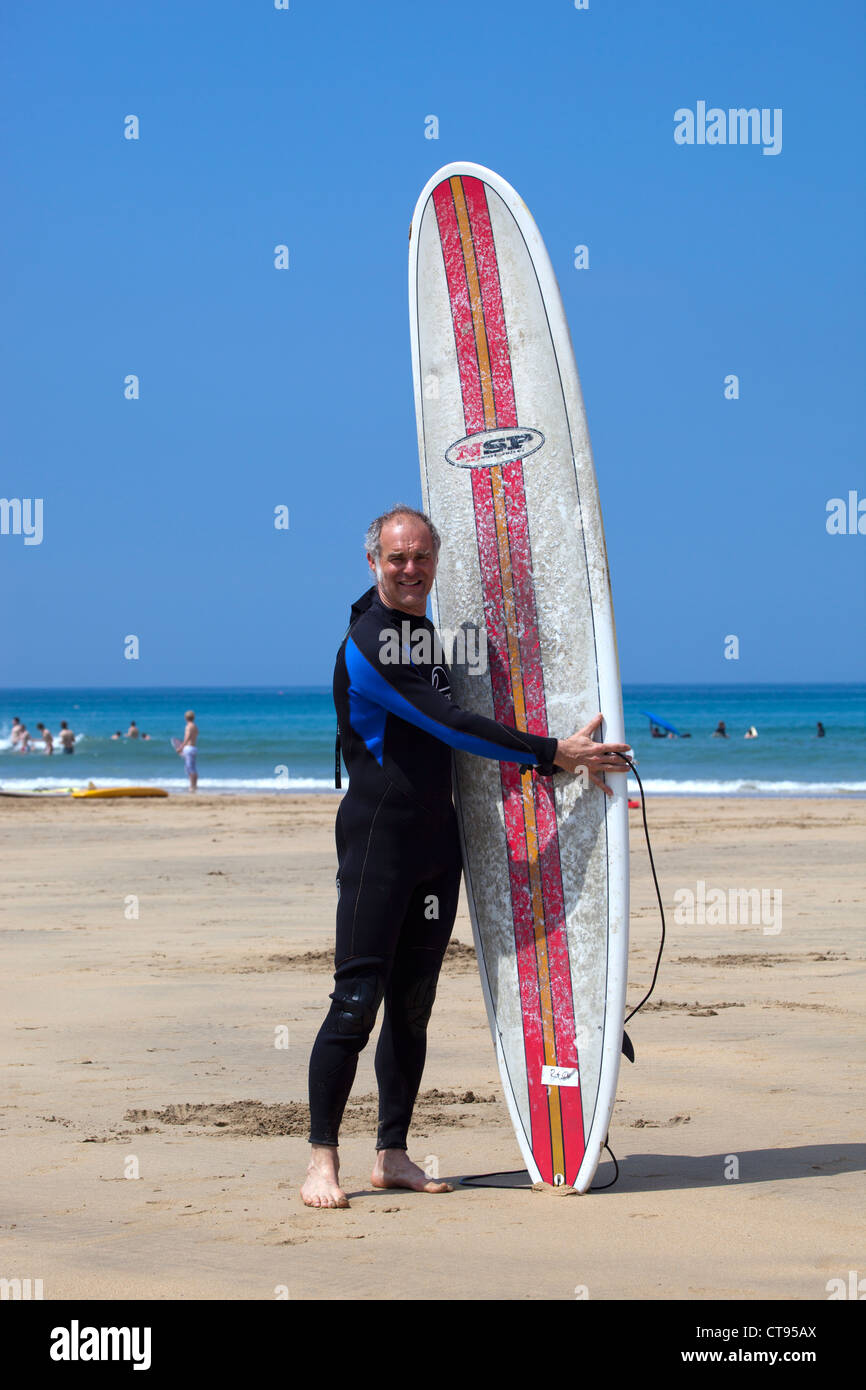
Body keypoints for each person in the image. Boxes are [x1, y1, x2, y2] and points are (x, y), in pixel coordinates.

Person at [301, 505, 631, 1209]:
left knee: (413, 1007)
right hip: (377, 846)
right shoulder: (370, 644)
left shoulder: (424, 638)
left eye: (422, 557)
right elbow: (450, 723)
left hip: (435, 847)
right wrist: (553, 753)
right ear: (373, 563)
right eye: (397, 559)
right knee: (357, 1004)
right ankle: (322, 1159)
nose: (411, 570)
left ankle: (391, 1153)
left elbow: (460, 722)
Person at [177, 711, 198, 792]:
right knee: (193, 768)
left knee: (190, 768)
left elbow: (188, 737)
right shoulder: (195, 727)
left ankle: (192, 786)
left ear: (186, 718)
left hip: (189, 748)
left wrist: (181, 747)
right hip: (193, 748)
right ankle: (194, 786)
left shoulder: (188, 726)